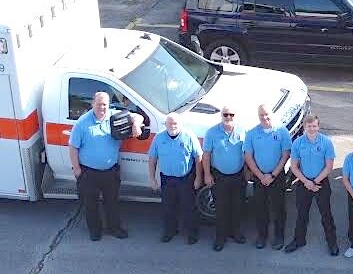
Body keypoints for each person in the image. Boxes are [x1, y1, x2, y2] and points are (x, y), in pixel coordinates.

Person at [69, 92, 142, 241]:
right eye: (99, 104)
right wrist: (76, 169)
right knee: (90, 204)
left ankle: (114, 228)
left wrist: (135, 124)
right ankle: (95, 231)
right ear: (92, 104)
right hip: (88, 172)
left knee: (112, 202)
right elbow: (73, 147)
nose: (102, 107)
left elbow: (138, 116)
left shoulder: (113, 116)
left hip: (110, 171)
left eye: (105, 104)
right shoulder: (83, 123)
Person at [284, 115, 339, 256]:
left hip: (321, 183)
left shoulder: (326, 142)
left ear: (318, 127)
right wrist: (307, 182)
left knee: (326, 214)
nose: (312, 129)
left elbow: (329, 167)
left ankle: (332, 242)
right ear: (304, 127)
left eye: (314, 126)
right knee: (302, 214)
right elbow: (294, 167)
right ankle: (298, 240)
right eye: (309, 126)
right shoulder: (297, 143)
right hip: (304, 182)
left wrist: (314, 182)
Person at [147, 113, 203, 245]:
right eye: (169, 123)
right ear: (165, 124)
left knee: (188, 207)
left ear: (180, 124)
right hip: (167, 179)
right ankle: (170, 231)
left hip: (186, 178)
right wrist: (152, 178)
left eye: (175, 124)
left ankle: (192, 233)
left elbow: (198, 157)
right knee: (168, 207)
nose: (172, 126)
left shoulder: (189, 136)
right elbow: (152, 159)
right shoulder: (159, 138)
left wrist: (198, 178)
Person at [244, 104, 292, 250]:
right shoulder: (252, 133)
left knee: (278, 208)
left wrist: (272, 174)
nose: (264, 117)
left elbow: (286, 154)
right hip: (259, 177)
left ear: (272, 113)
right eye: (261, 115)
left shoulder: (282, 131)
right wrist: (260, 175)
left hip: (276, 177)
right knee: (260, 208)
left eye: (266, 114)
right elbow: (248, 156)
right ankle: (262, 236)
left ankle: (279, 236)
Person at [203, 106, 247, 251]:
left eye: (231, 115)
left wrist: (247, 172)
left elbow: (247, 154)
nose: (228, 117)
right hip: (219, 176)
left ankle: (235, 233)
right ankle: (220, 237)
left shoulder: (242, 131)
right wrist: (207, 174)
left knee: (237, 206)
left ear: (236, 115)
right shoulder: (212, 132)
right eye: (225, 115)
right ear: (221, 116)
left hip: (238, 175)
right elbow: (206, 155)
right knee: (221, 208)